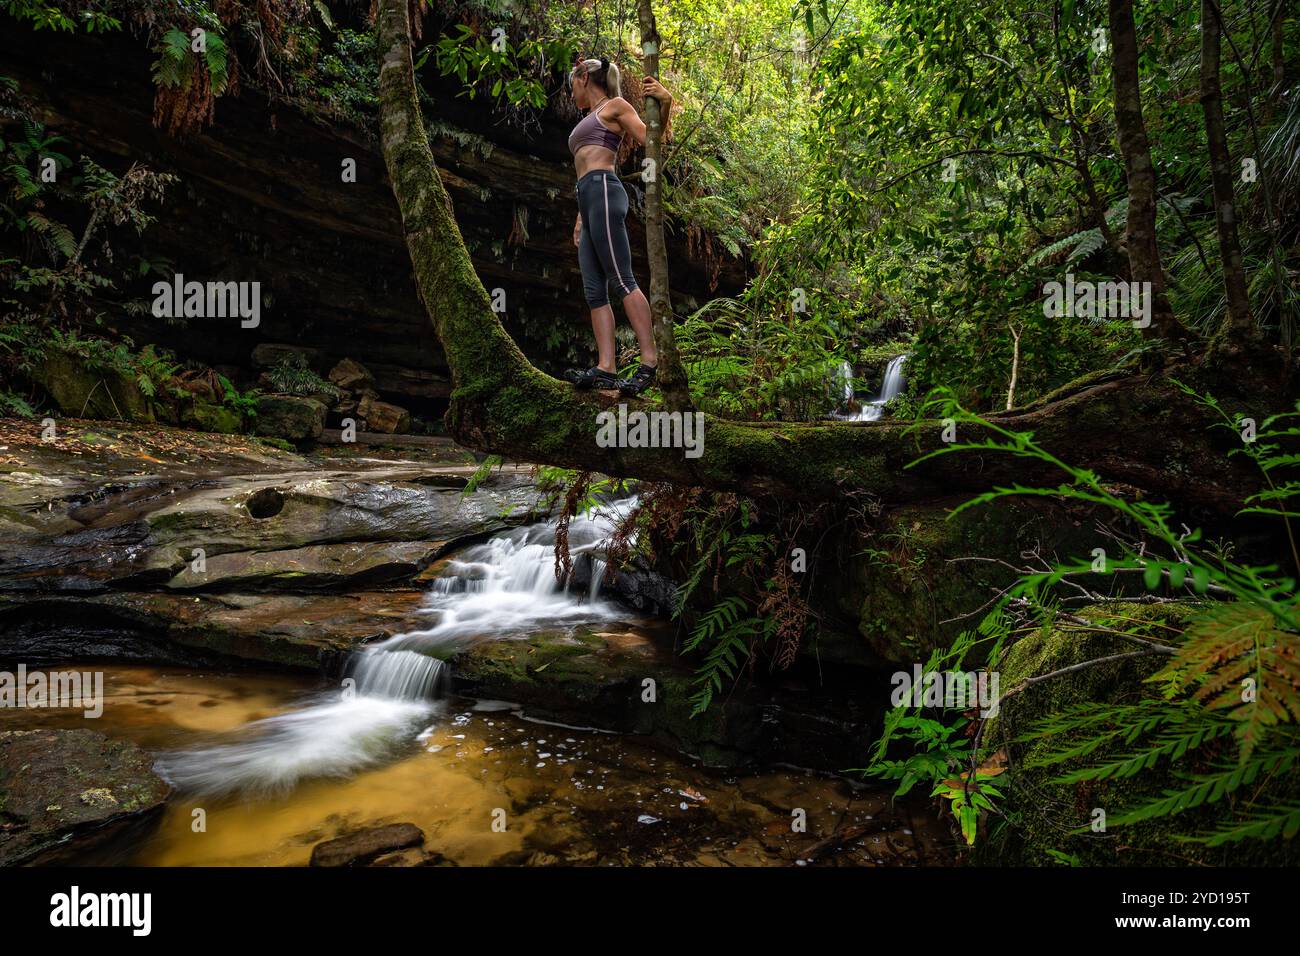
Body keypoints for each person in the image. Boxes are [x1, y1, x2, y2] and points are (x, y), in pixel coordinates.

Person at [563, 55, 672, 397]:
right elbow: (582, 169)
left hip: (605, 192)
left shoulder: (616, 105)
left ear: (583, 77)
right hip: (588, 200)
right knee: (594, 290)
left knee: (622, 279)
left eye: (572, 85)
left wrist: (666, 103)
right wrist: (581, 216)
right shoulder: (590, 116)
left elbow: (652, 142)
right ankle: (606, 367)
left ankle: (650, 361)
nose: (571, 93)